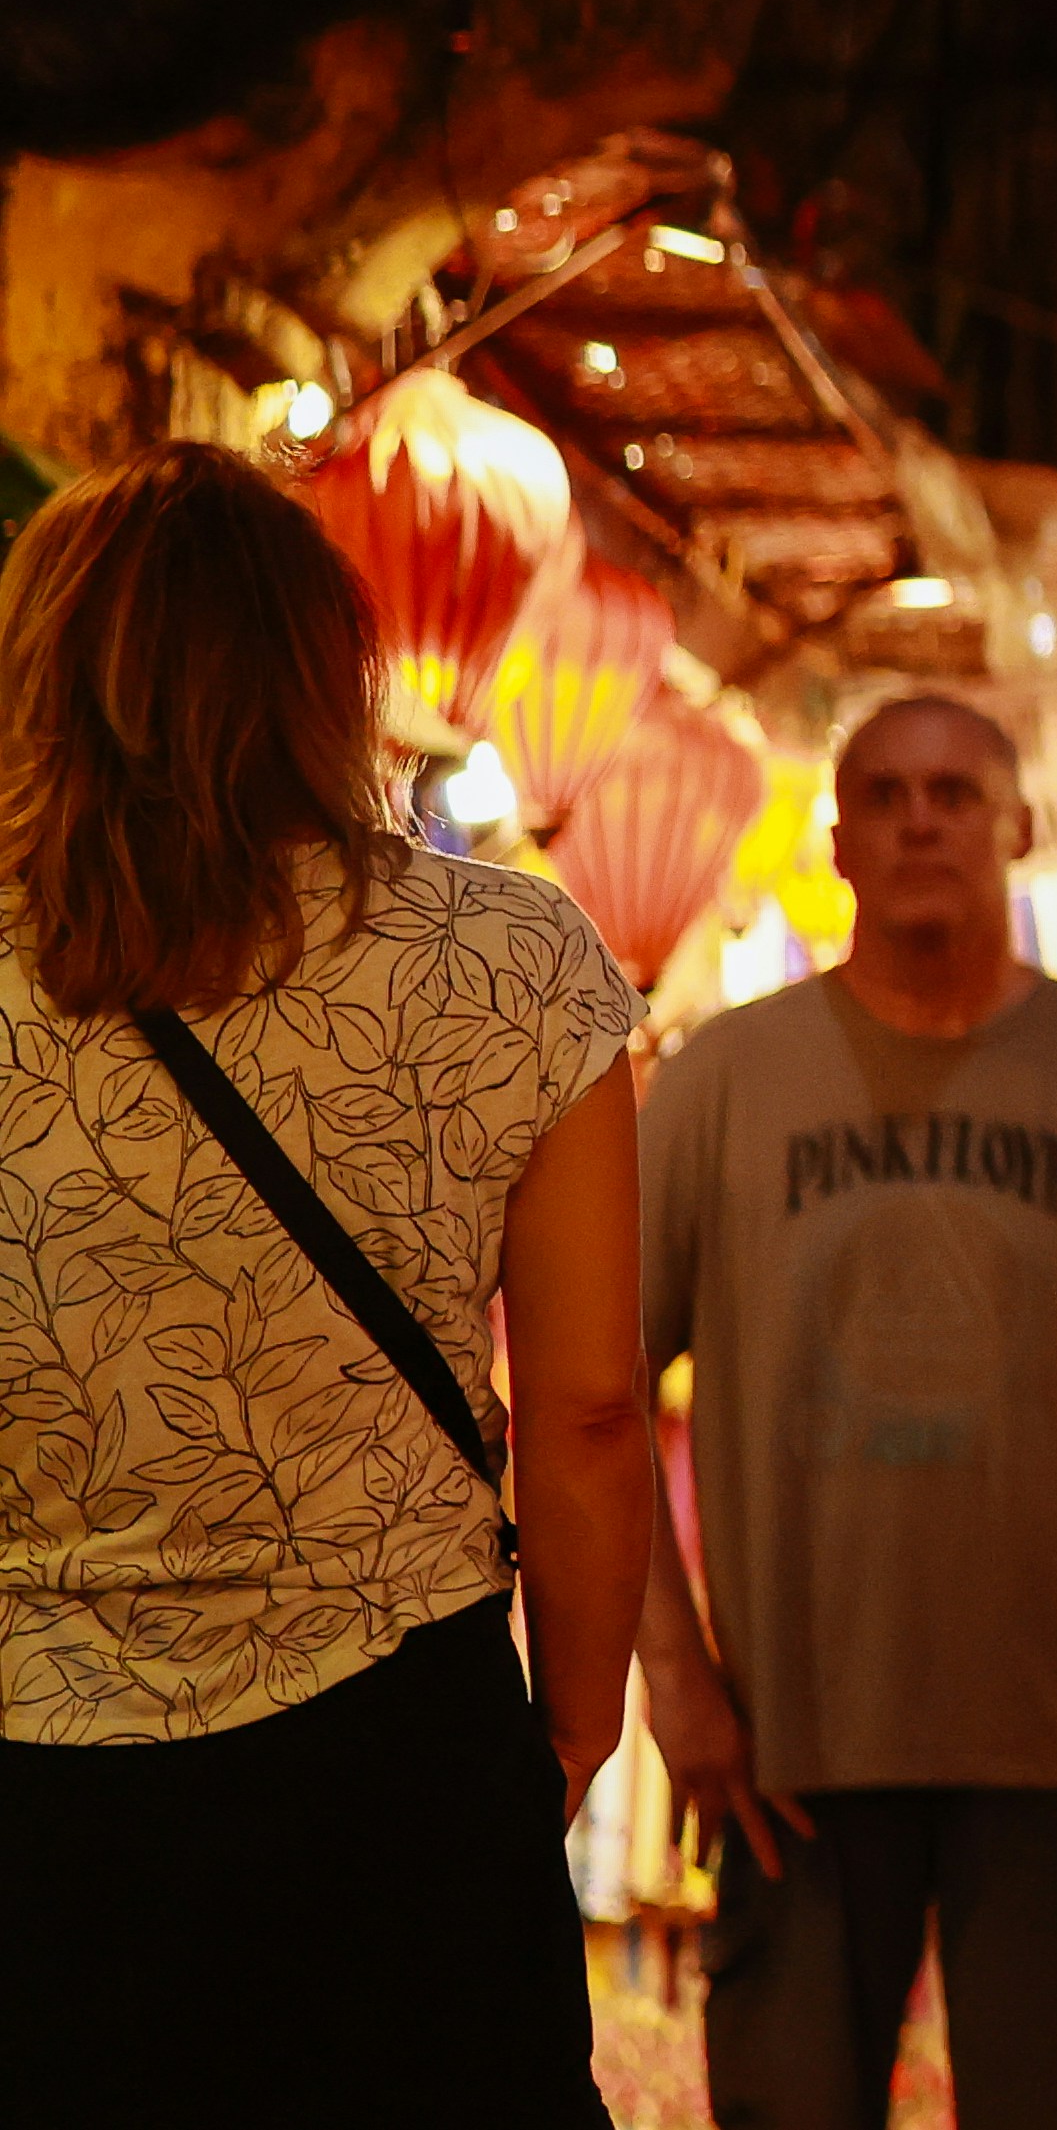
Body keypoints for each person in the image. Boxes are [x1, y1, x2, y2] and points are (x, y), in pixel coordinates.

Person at [0, 443, 657, 2121]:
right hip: (396, 1753)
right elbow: (586, 1410)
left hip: (38, 1781)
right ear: (325, 671)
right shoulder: (508, 960)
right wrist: (569, 1732)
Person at [638, 684, 1057, 2130]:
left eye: (957, 791)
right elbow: (592, 1382)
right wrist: (673, 1677)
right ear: (837, 840)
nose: (922, 818)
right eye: (887, 794)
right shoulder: (724, 1082)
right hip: (790, 1740)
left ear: (1020, 830)